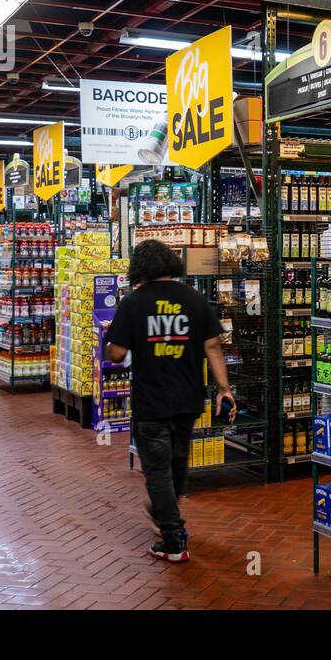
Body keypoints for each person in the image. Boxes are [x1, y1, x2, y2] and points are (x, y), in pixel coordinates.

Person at [104, 238, 235, 562]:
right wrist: (224, 389)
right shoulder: (194, 298)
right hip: (188, 399)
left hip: (151, 401)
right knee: (177, 464)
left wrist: (116, 340)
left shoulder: (133, 303)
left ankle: (174, 539)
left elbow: (117, 353)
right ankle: (165, 511)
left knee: (158, 470)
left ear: (140, 269)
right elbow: (213, 347)